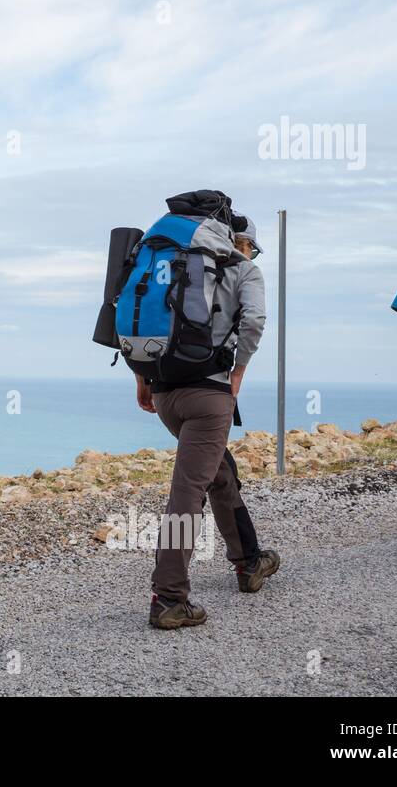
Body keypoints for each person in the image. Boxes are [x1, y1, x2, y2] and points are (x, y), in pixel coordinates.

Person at [136, 213, 281, 629]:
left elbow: (139, 319)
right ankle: (169, 598)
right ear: (241, 242)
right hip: (209, 397)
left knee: (219, 470)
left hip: (166, 393)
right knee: (187, 493)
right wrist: (238, 372)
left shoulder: (170, 264)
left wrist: (143, 379)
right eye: (251, 246)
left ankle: (249, 562)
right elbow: (253, 321)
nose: (251, 253)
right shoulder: (244, 269)